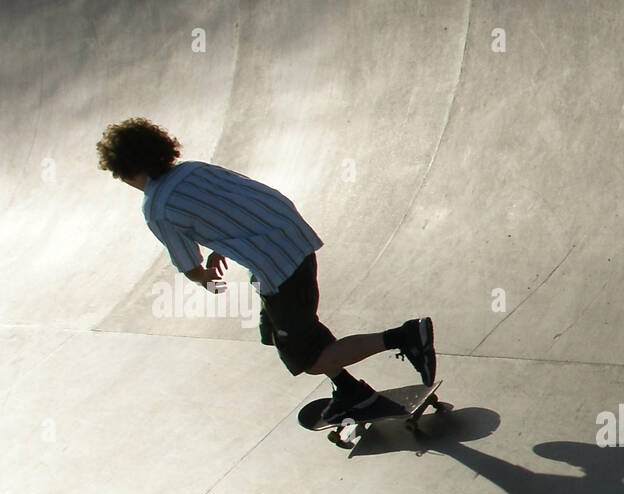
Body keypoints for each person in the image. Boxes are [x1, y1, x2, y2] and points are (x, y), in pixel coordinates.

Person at [96, 117, 434, 423]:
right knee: (278, 332)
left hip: (278, 267)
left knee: (308, 359)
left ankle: (403, 336)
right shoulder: (194, 169)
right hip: (293, 238)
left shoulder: (156, 207)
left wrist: (204, 279)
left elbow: (188, 265)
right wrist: (221, 245)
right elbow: (239, 204)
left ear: (126, 171)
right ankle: (350, 392)